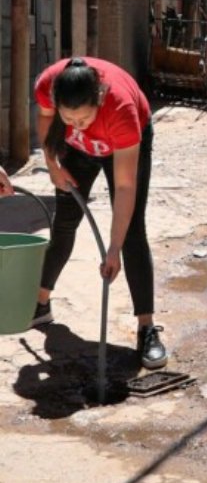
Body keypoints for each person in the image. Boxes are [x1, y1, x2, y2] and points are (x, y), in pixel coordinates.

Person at [32, 56, 167, 369]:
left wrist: (114, 248)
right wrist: (53, 166)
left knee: (132, 232)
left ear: (100, 98)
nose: (78, 125)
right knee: (65, 222)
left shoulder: (121, 110)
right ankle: (40, 305)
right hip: (77, 151)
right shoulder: (49, 84)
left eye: (84, 118)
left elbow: (124, 186)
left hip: (123, 144)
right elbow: (45, 119)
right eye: (69, 118)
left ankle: (146, 328)